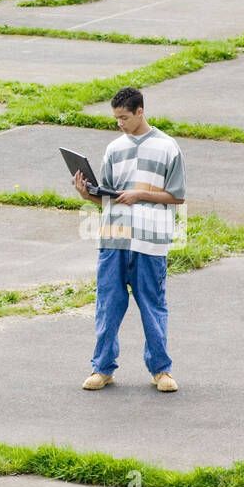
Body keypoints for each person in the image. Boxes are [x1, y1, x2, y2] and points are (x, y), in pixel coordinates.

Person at [74, 85, 185, 392]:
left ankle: (161, 370)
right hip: (113, 239)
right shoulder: (114, 149)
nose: (120, 123)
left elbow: (177, 196)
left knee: (152, 304)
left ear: (140, 111)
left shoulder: (168, 147)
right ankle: (102, 368)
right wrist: (87, 194)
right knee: (107, 305)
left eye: (124, 117)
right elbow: (107, 198)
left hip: (150, 241)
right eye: (116, 118)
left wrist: (140, 194)